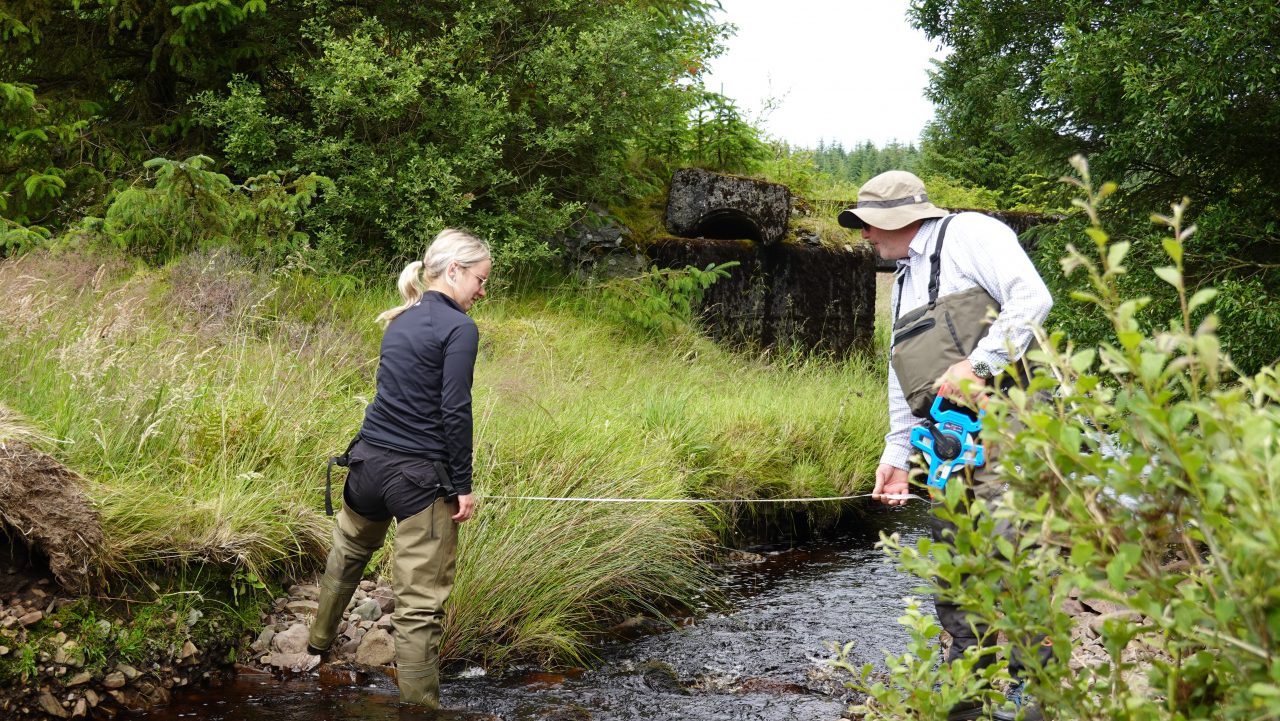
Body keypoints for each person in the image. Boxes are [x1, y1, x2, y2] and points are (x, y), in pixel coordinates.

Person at [838, 171, 1053, 721]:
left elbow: (1032, 297)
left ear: (898, 219)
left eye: (868, 225)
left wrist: (980, 363)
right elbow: (898, 375)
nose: (865, 237)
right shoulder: (905, 278)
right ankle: (968, 701)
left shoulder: (971, 232)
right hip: (944, 449)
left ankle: (1035, 700)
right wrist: (894, 457)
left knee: (1016, 563)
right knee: (956, 576)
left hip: (1011, 431)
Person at [307, 228, 491, 709]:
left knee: (346, 556)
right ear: (454, 271)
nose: (482, 291)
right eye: (480, 279)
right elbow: (456, 410)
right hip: (417, 483)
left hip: (365, 469)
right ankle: (419, 709)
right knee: (418, 609)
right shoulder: (460, 329)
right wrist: (463, 487)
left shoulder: (401, 320)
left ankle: (314, 648)